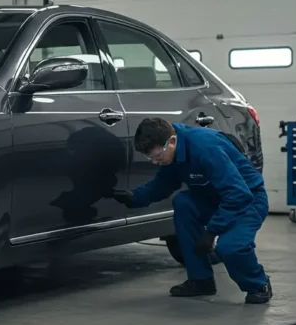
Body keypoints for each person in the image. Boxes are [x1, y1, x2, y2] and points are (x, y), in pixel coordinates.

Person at [111, 118, 273, 304]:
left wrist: (212, 231)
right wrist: (134, 197)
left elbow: (238, 193)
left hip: (247, 200)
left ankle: (258, 284)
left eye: (158, 156)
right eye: (151, 159)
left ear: (171, 141)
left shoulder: (205, 148)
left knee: (230, 247)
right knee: (184, 203)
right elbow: (164, 184)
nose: (156, 162)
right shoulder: (171, 151)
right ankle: (201, 280)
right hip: (212, 198)